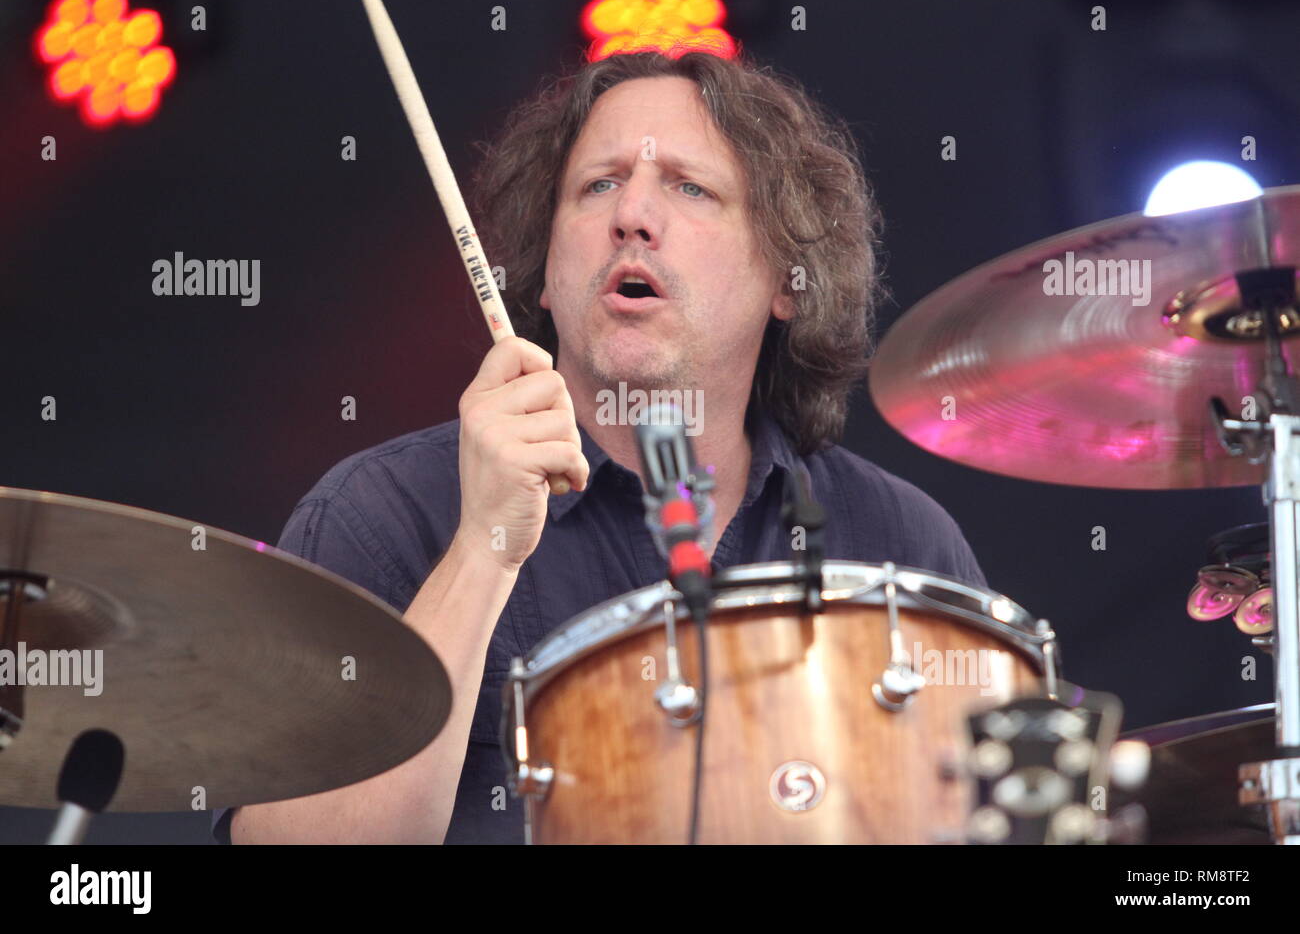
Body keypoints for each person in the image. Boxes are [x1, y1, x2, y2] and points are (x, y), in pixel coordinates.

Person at [220, 49, 984, 845]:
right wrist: (482, 550)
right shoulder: (381, 515)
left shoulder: (901, 544)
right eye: (598, 186)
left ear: (791, 279)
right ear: (546, 273)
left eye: (690, 187)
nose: (632, 216)